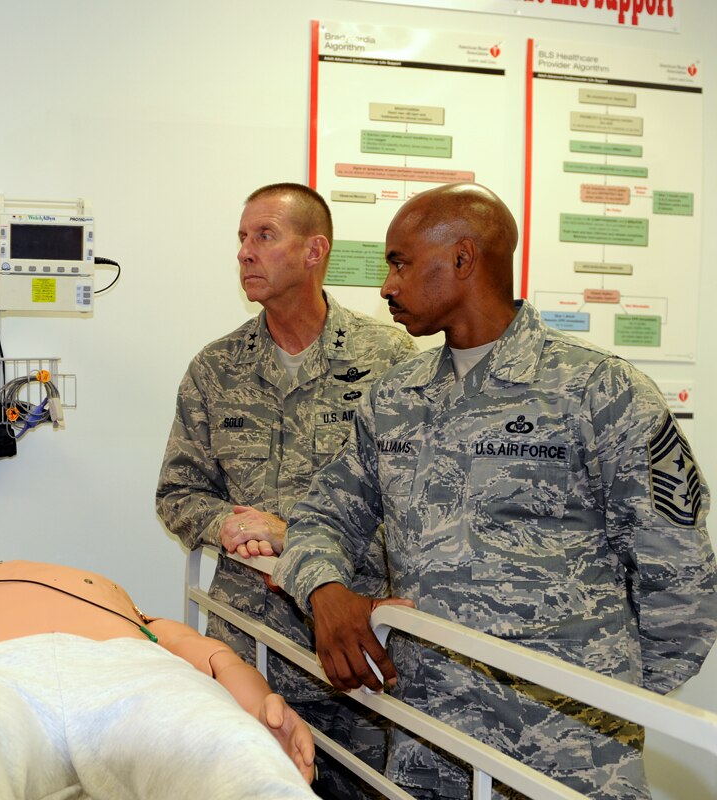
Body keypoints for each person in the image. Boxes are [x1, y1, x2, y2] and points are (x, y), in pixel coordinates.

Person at [274, 183, 717, 800]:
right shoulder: (396, 398)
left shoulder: (599, 392)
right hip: (427, 743)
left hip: (563, 759)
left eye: (400, 262)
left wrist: (596, 703)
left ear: (462, 260)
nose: (385, 286)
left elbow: (682, 580)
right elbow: (322, 515)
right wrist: (324, 590)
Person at [156, 182, 414, 797]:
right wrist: (225, 524)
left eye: (264, 236)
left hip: (354, 650)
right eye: (242, 239)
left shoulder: (391, 360)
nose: (245, 252)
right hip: (249, 650)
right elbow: (178, 493)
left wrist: (293, 536)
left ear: (314, 250)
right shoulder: (217, 368)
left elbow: (416, 507)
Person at [0, 560, 318, 800]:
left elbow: (213, 659)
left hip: (130, 671)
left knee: (225, 744)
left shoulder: (118, 601)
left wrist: (259, 711)